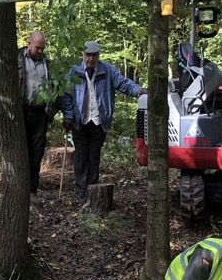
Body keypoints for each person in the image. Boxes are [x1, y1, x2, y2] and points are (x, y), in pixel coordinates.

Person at [62, 41, 145, 202]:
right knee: (80, 156)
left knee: (94, 156)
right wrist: (68, 116)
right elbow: (67, 96)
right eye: (88, 55)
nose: (90, 59)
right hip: (80, 121)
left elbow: (123, 83)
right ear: (83, 55)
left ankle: (93, 191)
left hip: (99, 121)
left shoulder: (108, 71)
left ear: (98, 56)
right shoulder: (74, 72)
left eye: (93, 56)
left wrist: (137, 90)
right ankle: (80, 191)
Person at [18, 31, 57, 199]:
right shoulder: (17, 59)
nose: (41, 51)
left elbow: (58, 91)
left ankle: (32, 190)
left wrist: (51, 112)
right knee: (20, 152)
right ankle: (19, 189)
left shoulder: (48, 65)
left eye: (43, 48)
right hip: (21, 112)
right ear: (29, 44)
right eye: (38, 48)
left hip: (40, 113)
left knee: (37, 152)